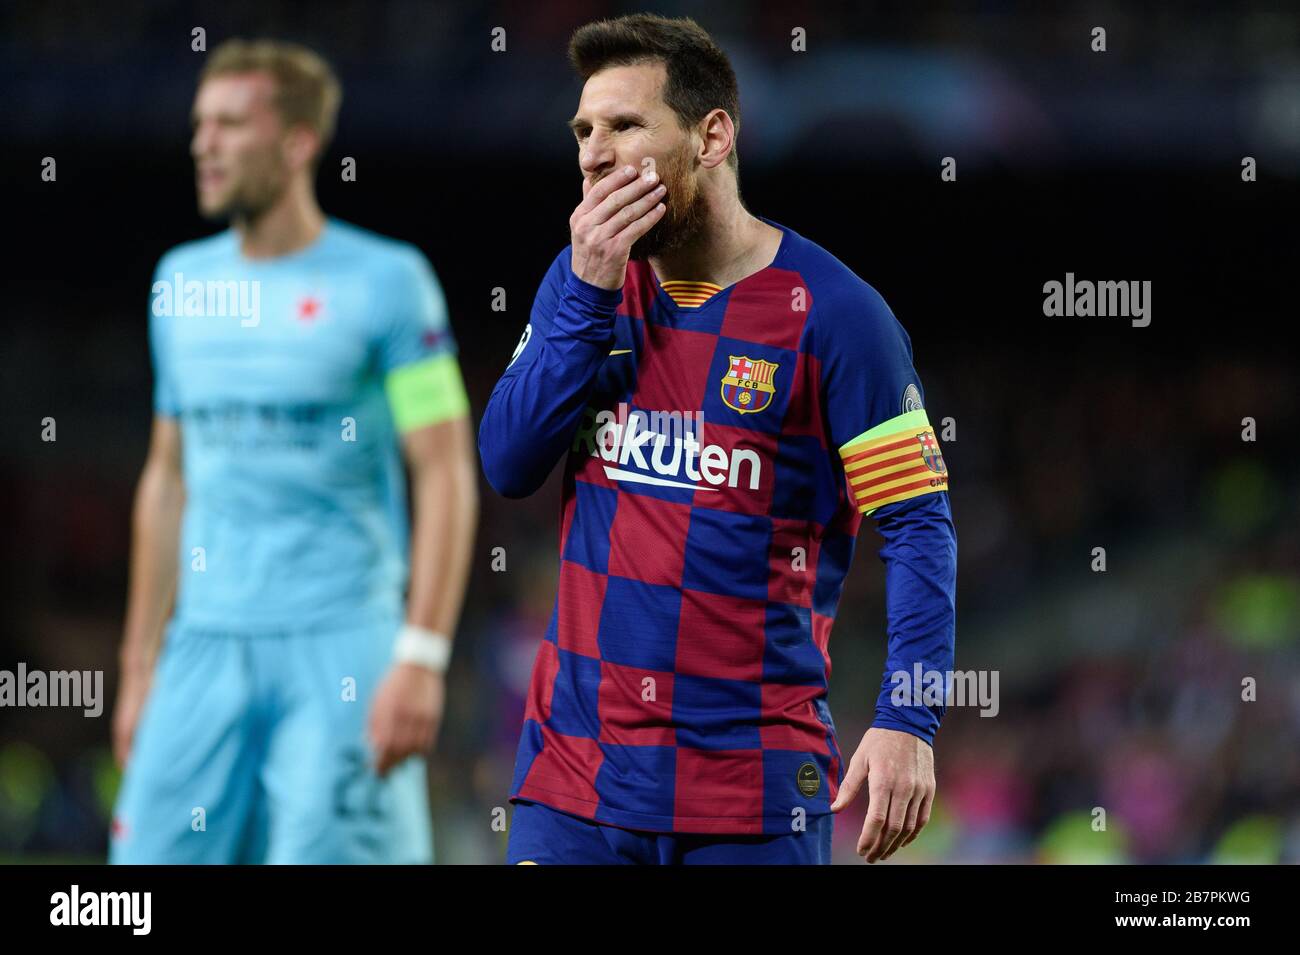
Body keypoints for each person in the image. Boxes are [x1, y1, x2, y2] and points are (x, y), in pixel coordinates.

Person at [480, 13, 957, 865]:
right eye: (584, 130)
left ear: (711, 136)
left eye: (625, 125)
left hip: (753, 791)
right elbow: (508, 463)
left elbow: (918, 526)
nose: (593, 152)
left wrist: (907, 718)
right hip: (573, 782)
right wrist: (588, 297)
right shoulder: (582, 283)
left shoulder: (839, 317)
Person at [110, 38, 477, 864]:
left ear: (298, 142)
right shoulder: (179, 284)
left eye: (230, 124)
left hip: (341, 639)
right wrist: (138, 667)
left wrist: (421, 654)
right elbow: (167, 478)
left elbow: (444, 469)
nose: (202, 143)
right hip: (202, 644)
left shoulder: (390, 282)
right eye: (200, 124)